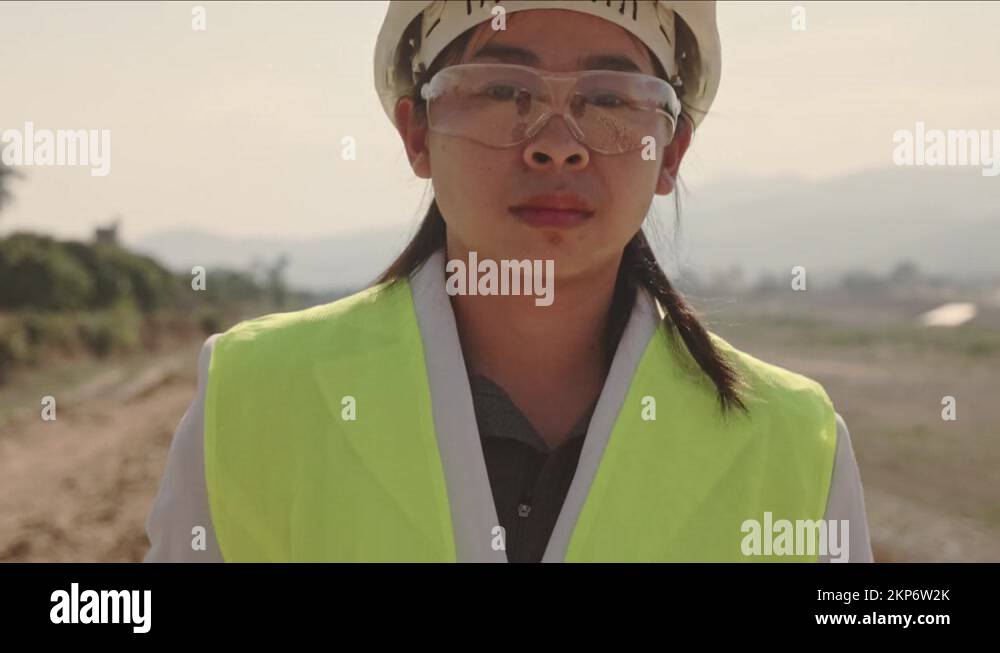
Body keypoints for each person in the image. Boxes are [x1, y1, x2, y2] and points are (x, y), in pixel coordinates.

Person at [145, 0, 873, 563]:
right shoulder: (254, 399)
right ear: (418, 133)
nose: (558, 145)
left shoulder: (795, 447)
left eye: (613, 98)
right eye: (502, 90)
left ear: (671, 150)